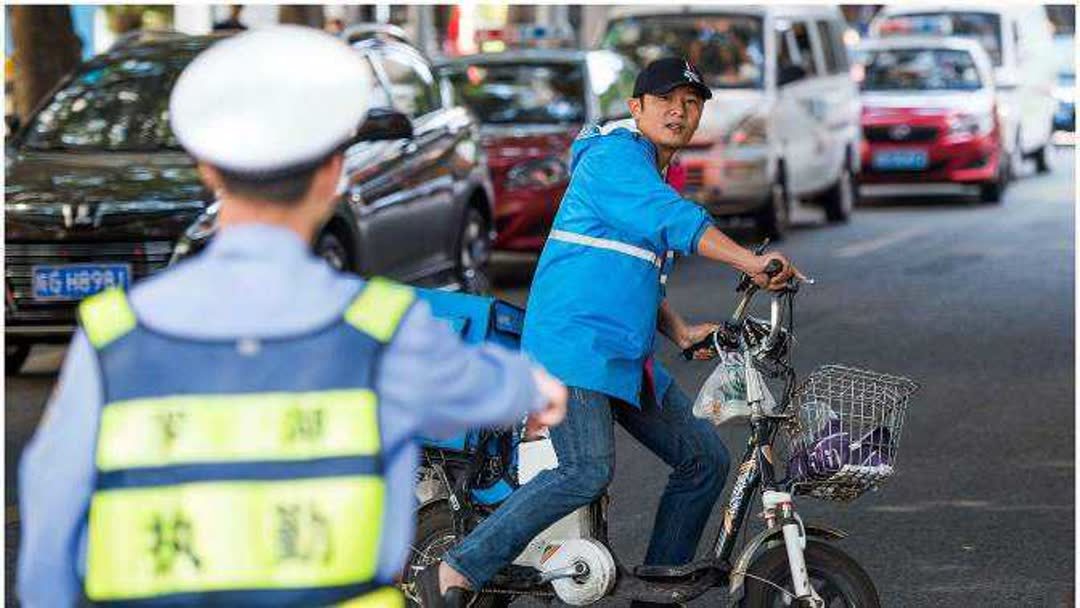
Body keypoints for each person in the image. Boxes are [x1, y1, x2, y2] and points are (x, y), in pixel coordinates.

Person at [16, 26, 567, 607]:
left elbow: (51, 536)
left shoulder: (111, 338)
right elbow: (499, 390)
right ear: (333, 173)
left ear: (206, 169)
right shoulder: (384, 330)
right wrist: (536, 389)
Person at [424, 57, 800, 605]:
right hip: (572, 346)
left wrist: (679, 330)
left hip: (623, 353)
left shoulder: (649, 167)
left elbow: (633, 268)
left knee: (703, 460)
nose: (680, 111)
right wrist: (750, 262)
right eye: (666, 100)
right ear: (635, 107)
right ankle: (458, 570)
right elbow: (674, 221)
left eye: (692, 103)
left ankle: (657, 592)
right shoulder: (612, 159)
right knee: (585, 469)